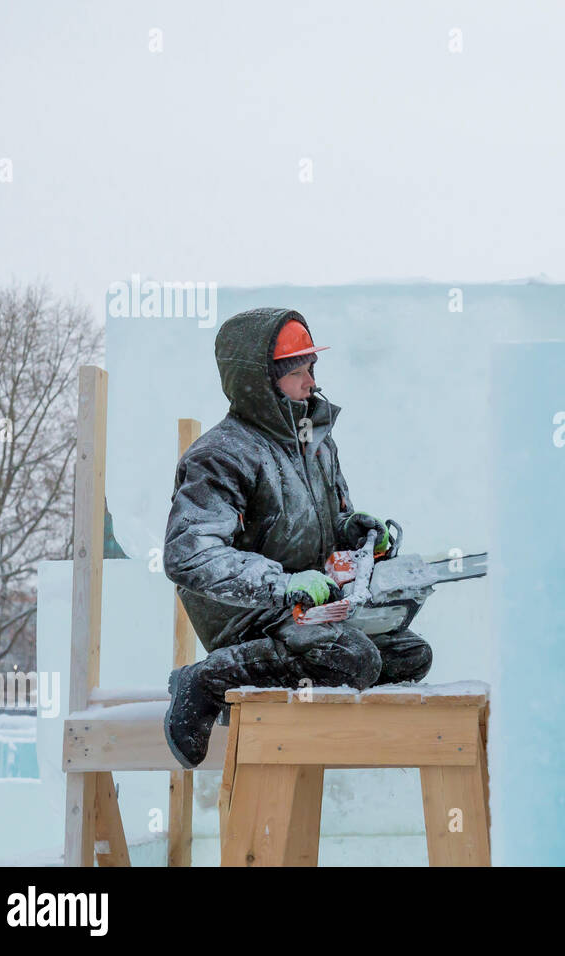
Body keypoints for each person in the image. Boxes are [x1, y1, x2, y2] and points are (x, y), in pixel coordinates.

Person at [162, 308, 431, 768]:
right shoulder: (220, 455)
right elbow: (189, 556)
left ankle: (313, 716)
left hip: (309, 610)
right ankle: (206, 681)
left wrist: (356, 534)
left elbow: (325, 523)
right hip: (250, 617)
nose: (310, 382)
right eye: (297, 372)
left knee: (409, 655)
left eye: (311, 368)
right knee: (354, 660)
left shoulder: (315, 441)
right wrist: (282, 584)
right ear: (259, 380)